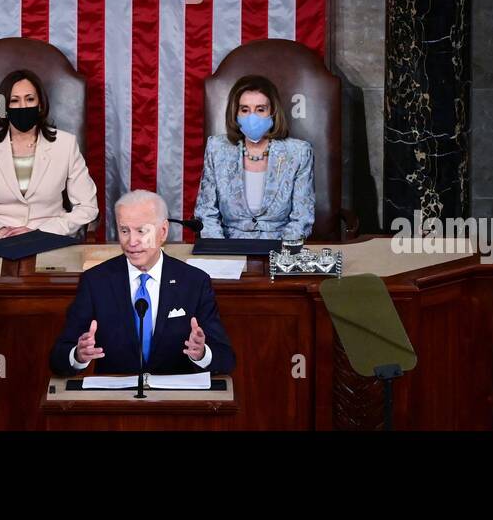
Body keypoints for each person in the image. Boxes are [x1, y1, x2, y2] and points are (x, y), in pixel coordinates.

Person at [50, 190, 236, 377]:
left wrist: (202, 354)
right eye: (124, 231)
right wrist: (78, 355)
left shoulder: (194, 282)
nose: (132, 241)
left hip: (175, 400)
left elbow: (225, 358)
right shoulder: (96, 281)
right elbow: (58, 358)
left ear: (162, 232)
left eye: (141, 231)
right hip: (116, 401)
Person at [0, 69, 99, 242]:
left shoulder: (65, 145)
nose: (23, 106)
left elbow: (88, 207)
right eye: (14, 101)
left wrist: (43, 231)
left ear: (40, 104)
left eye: (30, 99)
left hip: (47, 237)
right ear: (4, 107)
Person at [193, 74, 315, 239]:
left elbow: (302, 218)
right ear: (235, 113)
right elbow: (206, 213)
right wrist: (221, 253)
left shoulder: (299, 152)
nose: (252, 117)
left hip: (279, 249)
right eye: (245, 110)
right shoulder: (217, 148)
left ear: (272, 112)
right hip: (229, 249)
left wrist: (281, 256)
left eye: (260, 109)